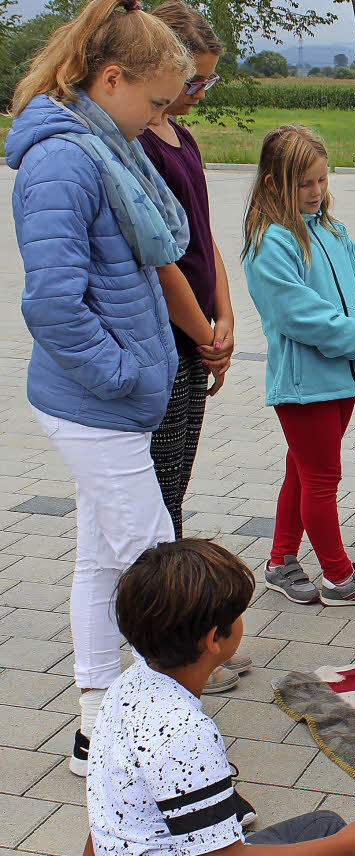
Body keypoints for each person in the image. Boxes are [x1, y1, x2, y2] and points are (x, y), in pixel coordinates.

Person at [6, 0, 193, 775]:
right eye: (154, 102)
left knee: (102, 564)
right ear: (111, 78)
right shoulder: (66, 157)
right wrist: (125, 374)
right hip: (96, 403)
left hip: (108, 400)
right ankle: (165, 749)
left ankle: (94, 728)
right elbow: (51, 302)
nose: (160, 119)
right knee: (169, 581)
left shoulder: (102, 143)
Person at [84, 539, 355, 856]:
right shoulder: (186, 734)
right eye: (238, 614)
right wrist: (343, 848)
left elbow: (102, 820)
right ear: (212, 640)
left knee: (324, 824)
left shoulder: (126, 685)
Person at [139, 1, 246, 695]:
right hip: (170, 342)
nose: (199, 94)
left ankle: (180, 640)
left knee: (174, 487)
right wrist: (202, 334)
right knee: (158, 500)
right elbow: (161, 256)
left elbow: (203, 237)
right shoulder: (138, 145)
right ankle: (170, 648)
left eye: (207, 83)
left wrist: (228, 317)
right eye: (193, 81)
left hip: (199, 338)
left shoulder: (181, 136)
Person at [244, 124, 355, 608]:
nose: (315, 192)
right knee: (322, 477)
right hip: (305, 384)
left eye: (322, 180)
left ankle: (281, 562)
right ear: (273, 182)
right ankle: (338, 576)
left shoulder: (331, 229)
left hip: (343, 377)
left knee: (303, 471)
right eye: (303, 183)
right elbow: (298, 313)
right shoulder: (271, 242)